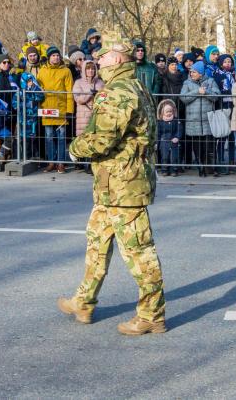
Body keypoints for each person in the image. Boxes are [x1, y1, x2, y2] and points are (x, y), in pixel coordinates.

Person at [58, 31, 166, 337]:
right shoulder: (135, 87)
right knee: (97, 242)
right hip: (114, 184)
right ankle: (84, 300)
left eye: (103, 55)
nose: (99, 60)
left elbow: (103, 139)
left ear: (117, 58)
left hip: (124, 185)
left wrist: (75, 148)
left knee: (139, 252)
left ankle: (151, 314)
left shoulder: (118, 91)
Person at [37, 47, 75, 173]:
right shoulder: (42, 71)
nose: (56, 57)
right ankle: (51, 162)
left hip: (61, 108)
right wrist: (38, 107)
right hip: (46, 108)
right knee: (48, 136)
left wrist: (70, 109)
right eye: (53, 55)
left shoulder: (66, 71)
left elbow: (70, 90)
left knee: (61, 137)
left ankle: (61, 163)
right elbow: (38, 89)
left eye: (57, 55)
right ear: (49, 57)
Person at [180, 61, 219, 176]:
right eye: (191, 72)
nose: (191, 74)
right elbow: (183, 98)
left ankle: (208, 167)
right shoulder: (187, 83)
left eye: (194, 72)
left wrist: (206, 92)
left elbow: (216, 96)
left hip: (207, 119)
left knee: (207, 146)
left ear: (201, 73)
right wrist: (197, 91)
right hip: (193, 119)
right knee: (197, 146)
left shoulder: (210, 81)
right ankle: (200, 166)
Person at [73, 59, 104, 139]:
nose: (90, 71)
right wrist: (89, 93)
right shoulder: (78, 82)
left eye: (93, 68)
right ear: (84, 70)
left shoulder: (100, 83)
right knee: (83, 140)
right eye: (88, 69)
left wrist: (98, 97)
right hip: (83, 117)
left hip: (98, 115)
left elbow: (104, 97)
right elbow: (78, 99)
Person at [156, 99, 182, 175]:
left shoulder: (176, 120)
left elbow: (179, 130)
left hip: (174, 141)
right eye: (167, 112)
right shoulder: (160, 122)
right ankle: (165, 170)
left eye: (170, 111)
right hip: (164, 142)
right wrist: (157, 142)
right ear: (163, 112)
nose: (169, 113)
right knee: (165, 157)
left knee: (174, 157)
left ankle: (174, 170)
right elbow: (158, 133)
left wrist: (177, 137)